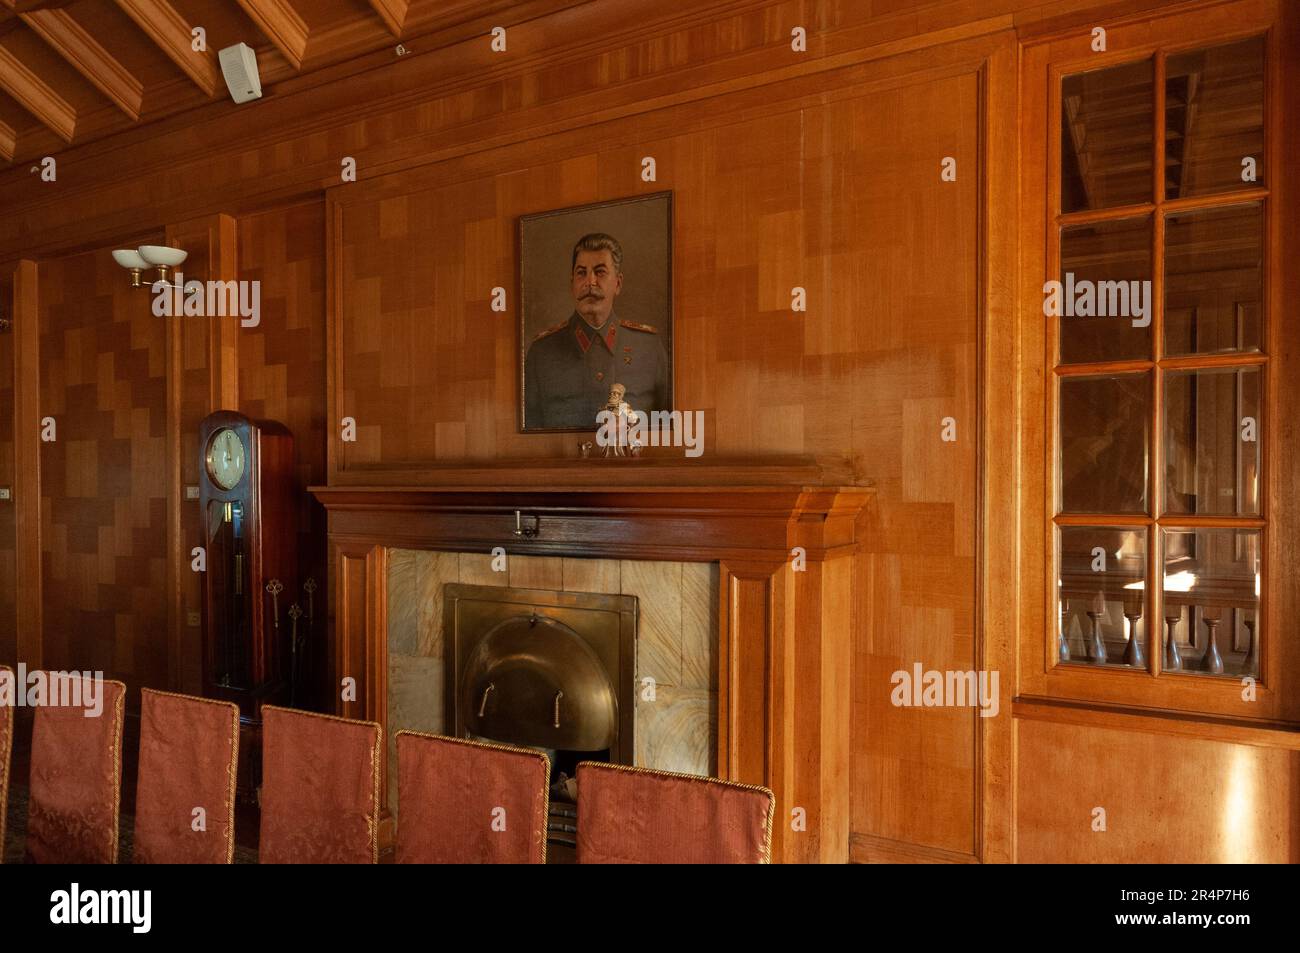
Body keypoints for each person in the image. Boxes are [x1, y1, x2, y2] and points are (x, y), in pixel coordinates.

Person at [524, 232, 668, 429]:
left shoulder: (648, 347)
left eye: (600, 272)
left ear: (618, 284)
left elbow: (668, 433)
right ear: (572, 283)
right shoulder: (541, 353)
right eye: (581, 273)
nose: (590, 282)